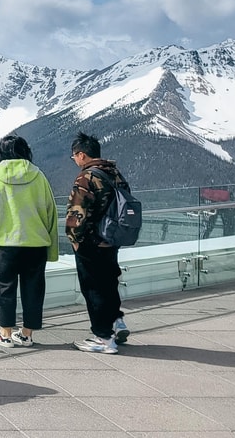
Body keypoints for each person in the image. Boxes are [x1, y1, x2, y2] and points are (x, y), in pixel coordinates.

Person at [0, 135, 58, 348]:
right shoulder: (38, 176)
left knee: (4, 288)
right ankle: (26, 334)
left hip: (5, 244)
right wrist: (52, 250)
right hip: (36, 244)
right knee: (34, 288)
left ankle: (5, 334)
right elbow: (50, 213)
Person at [65, 131, 132, 354]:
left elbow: (77, 211)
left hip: (91, 242)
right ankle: (116, 322)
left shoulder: (86, 178)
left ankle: (103, 338)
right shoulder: (115, 174)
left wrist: (74, 239)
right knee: (109, 283)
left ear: (82, 155)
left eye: (74, 156)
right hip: (112, 240)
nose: (74, 160)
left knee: (93, 287)